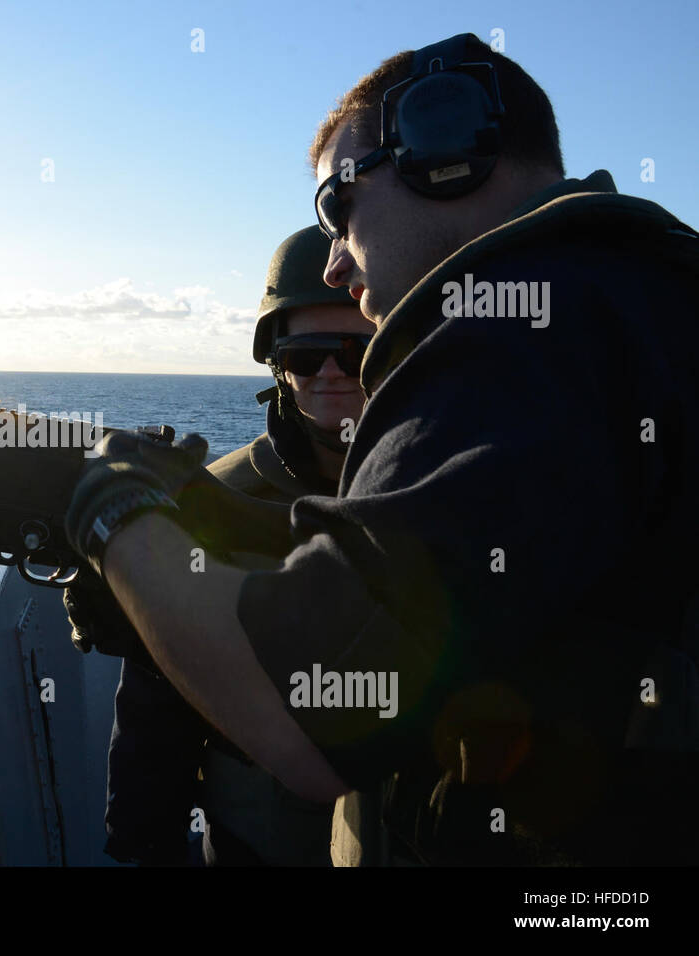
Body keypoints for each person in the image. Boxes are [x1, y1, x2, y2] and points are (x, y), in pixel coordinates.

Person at [64, 33, 699, 865]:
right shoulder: (639, 306)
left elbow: (316, 710)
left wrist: (113, 507)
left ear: (442, 148)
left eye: (337, 205)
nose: (334, 264)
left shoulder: (521, 327)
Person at [72, 227, 372, 865]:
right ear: (275, 363)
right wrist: (145, 844)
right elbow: (157, 708)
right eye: (303, 355)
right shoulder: (215, 499)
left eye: (355, 351)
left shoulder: (439, 493)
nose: (329, 374)